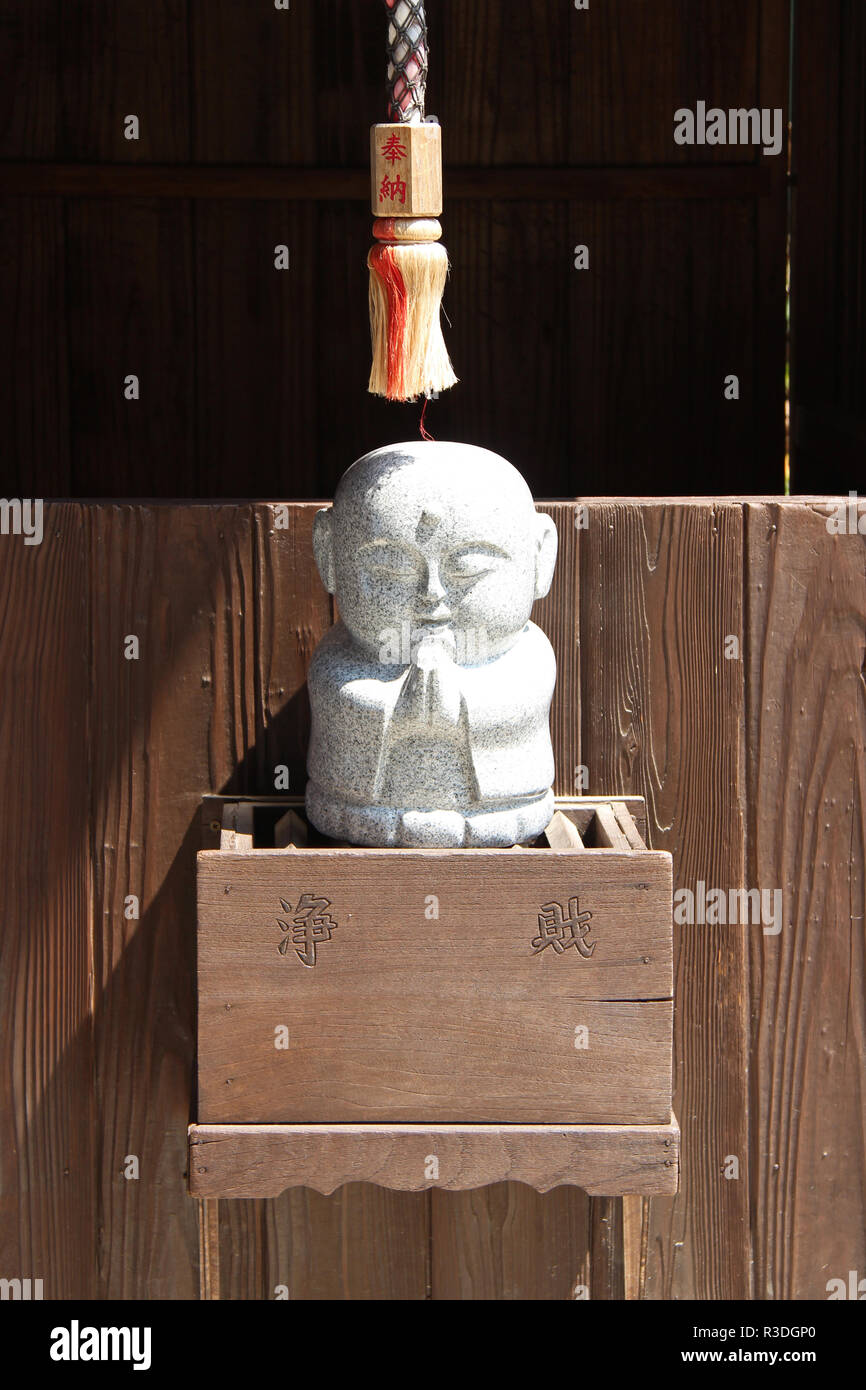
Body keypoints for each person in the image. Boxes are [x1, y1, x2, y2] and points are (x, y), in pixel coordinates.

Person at [306, 441, 558, 847]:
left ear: (540, 558)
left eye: (468, 566)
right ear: (328, 554)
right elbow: (339, 700)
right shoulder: (341, 653)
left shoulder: (526, 655)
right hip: (360, 810)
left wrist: (459, 709)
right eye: (391, 565)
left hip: (503, 808)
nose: (432, 593)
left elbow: (520, 704)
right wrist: (395, 710)